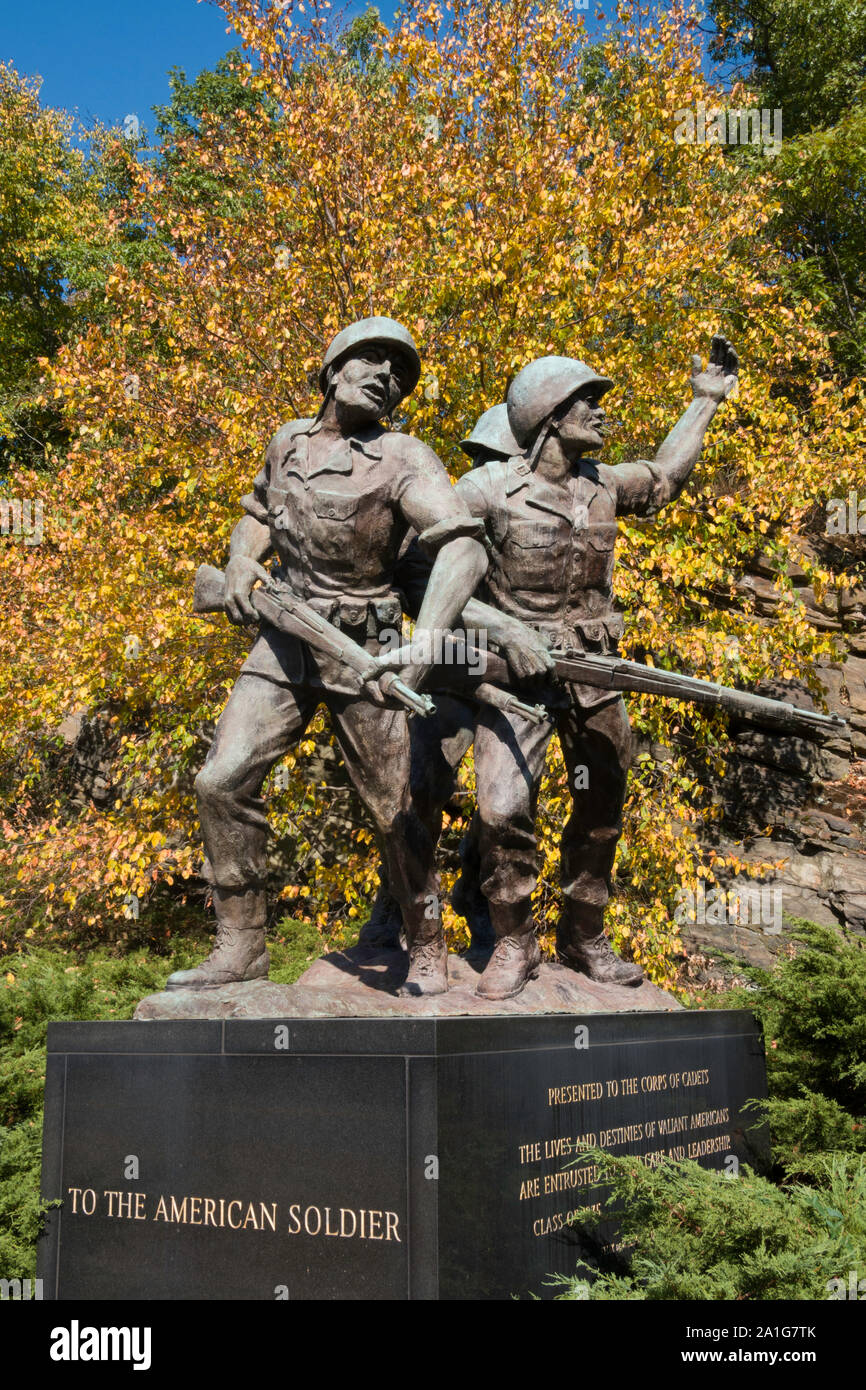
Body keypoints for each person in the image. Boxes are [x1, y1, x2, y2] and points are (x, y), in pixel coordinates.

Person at [166, 317, 488, 997]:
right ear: (333, 369)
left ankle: (426, 944)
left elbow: (462, 546)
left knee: (394, 809)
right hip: (284, 640)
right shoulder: (287, 441)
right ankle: (241, 950)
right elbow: (257, 512)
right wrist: (239, 561)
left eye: (397, 372)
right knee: (219, 781)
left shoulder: (404, 456)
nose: (386, 376)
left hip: (363, 650)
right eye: (371, 360)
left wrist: (424, 642)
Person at [448, 336, 739, 1000]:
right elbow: (428, 580)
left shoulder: (602, 485)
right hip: (516, 677)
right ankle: (515, 942)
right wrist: (497, 632)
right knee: (499, 810)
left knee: (602, 808)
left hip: (596, 674)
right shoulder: (485, 489)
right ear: (548, 415)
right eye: (589, 401)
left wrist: (704, 401)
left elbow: (665, 477)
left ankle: (584, 938)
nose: (602, 413)